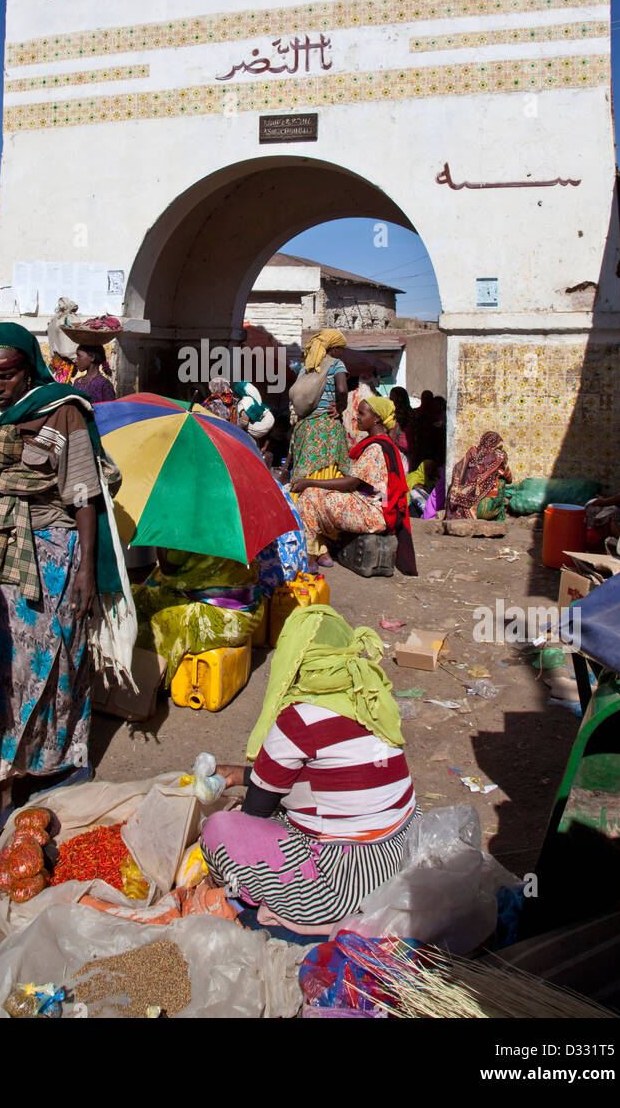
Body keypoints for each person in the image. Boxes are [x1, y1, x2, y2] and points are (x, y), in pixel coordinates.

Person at [0, 323, 134, 812]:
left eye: (6, 375)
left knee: (54, 661)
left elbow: (83, 497)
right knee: (0, 662)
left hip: (54, 549)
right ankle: (4, 768)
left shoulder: (63, 411)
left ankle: (58, 763)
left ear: (27, 366)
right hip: (1, 552)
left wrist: (85, 575)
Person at [202, 604, 418, 933]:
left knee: (218, 830)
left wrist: (248, 792)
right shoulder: (372, 698)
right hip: (400, 859)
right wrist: (239, 775)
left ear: (292, 658)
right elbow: (335, 779)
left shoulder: (298, 720)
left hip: (343, 883)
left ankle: (247, 901)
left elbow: (256, 812)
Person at [292, 395, 417, 575]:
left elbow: (351, 482)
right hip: (376, 507)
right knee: (316, 496)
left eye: (362, 413)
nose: (357, 416)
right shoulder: (384, 444)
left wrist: (309, 481)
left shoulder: (376, 448)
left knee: (310, 497)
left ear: (377, 418)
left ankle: (310, 556)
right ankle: (321, 553)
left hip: (373, 513)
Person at [133, 550, 263, 685]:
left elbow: (168, 568)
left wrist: (159, 546)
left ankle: (144, 680)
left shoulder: (187, 531)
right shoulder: (237, 531)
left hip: (220, 618)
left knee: (155, 616)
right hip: (249, 614)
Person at [286, 329, 350, 568]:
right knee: (321, 492)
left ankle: (318, 551)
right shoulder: (336, 364)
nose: (342, 352)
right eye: (340, 348)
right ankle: (316, 552)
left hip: (304, 431)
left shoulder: (306, 367)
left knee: (305, 489)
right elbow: (342, 389)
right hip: (326, 432)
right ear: (334, 349)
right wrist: (340, 407)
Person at [446, 430, 513, 520]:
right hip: (486, 507)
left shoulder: (472, 452)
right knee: (502, 481)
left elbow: (458, 469)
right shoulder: (498, 456)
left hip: (458, 503)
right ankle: (498, 519)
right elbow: (510, 478)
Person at [389, 385, 416, 474]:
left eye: (391, 398)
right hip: (410, 455)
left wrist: (393, 435)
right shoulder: (412, 413)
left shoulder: (396, 416)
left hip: (401, 455)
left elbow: (404, 443)